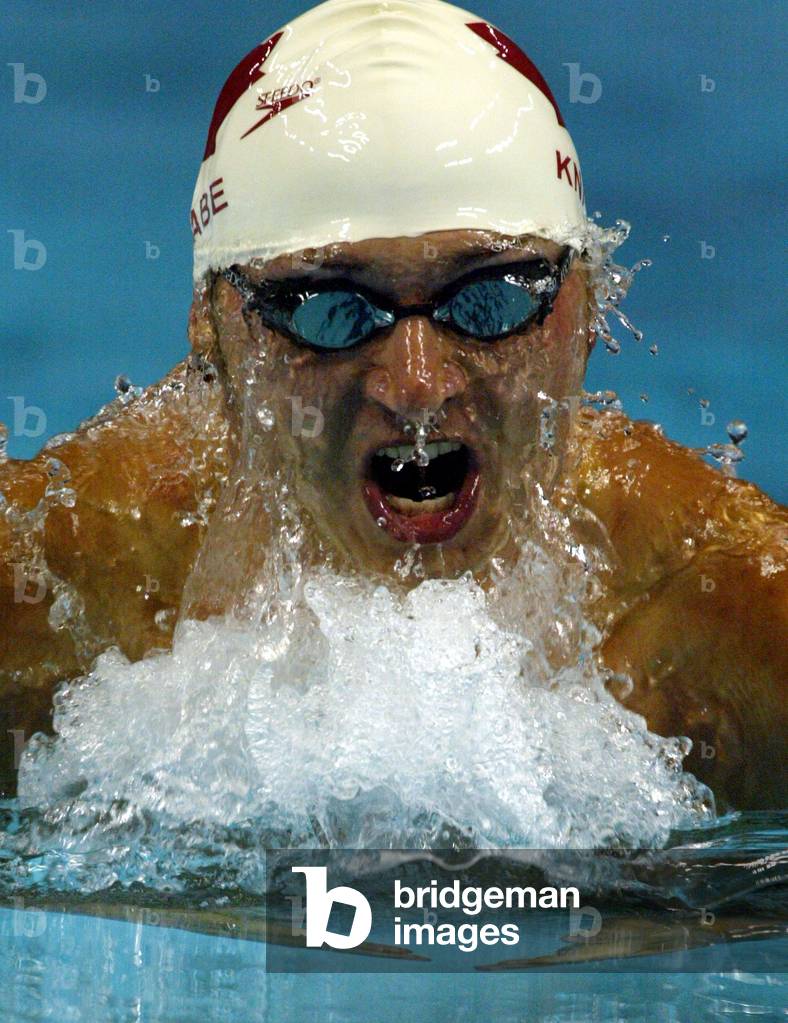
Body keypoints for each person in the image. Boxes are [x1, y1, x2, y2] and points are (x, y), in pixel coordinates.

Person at [1, 0, 785, 808]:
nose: (416, 383)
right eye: (329, 307)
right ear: (215, 338)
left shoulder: (730, 616)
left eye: (489, 300)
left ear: (581, 313)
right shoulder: (65, 600)